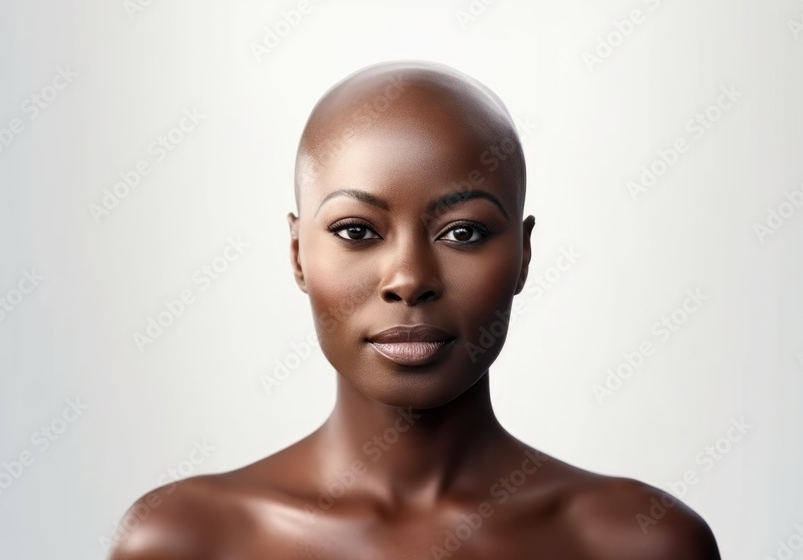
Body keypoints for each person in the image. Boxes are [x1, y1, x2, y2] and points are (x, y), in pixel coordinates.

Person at [109, 60, 721, 559]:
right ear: (298, 254)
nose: (409, 280)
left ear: (524, 255)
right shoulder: (185, 541)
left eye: (463, 233)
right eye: (356, 231)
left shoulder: (640, 544)